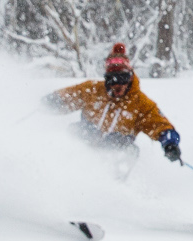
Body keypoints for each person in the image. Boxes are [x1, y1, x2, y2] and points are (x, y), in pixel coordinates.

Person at [50, 43, 184, 163]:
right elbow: (68, 97)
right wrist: (53, 101)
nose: (118, 85)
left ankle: (115, 180)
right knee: (73, 130)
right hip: (86, 142)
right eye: (112, 80)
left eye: (123, 78)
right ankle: (64, 163)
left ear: (130, 77)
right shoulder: (92, 90)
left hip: (113, 150)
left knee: (128, 147)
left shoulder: (140, 103)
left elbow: (159, 124)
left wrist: (170, 144)